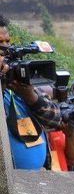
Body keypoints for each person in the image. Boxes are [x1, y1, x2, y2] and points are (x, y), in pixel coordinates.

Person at [1, 16, 63, 170]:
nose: (6, 49)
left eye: (7, 42)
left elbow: (55, 120)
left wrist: (31, 97)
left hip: (36, 182)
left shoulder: (18, 81)